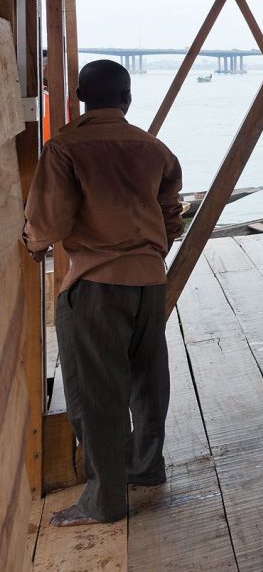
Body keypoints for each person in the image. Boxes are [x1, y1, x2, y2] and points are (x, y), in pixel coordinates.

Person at [23, 59, 183, 526]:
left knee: (96, 393)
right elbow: (171, 213)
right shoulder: (155, 149)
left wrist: (31, 244)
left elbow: (47, 224)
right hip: (150, 283)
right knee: (147, 381)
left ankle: (105, 500)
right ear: (127, 99)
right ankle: (147, 468)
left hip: (95, 285)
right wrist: (148, 249)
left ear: (78, 98)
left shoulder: (64, 148)